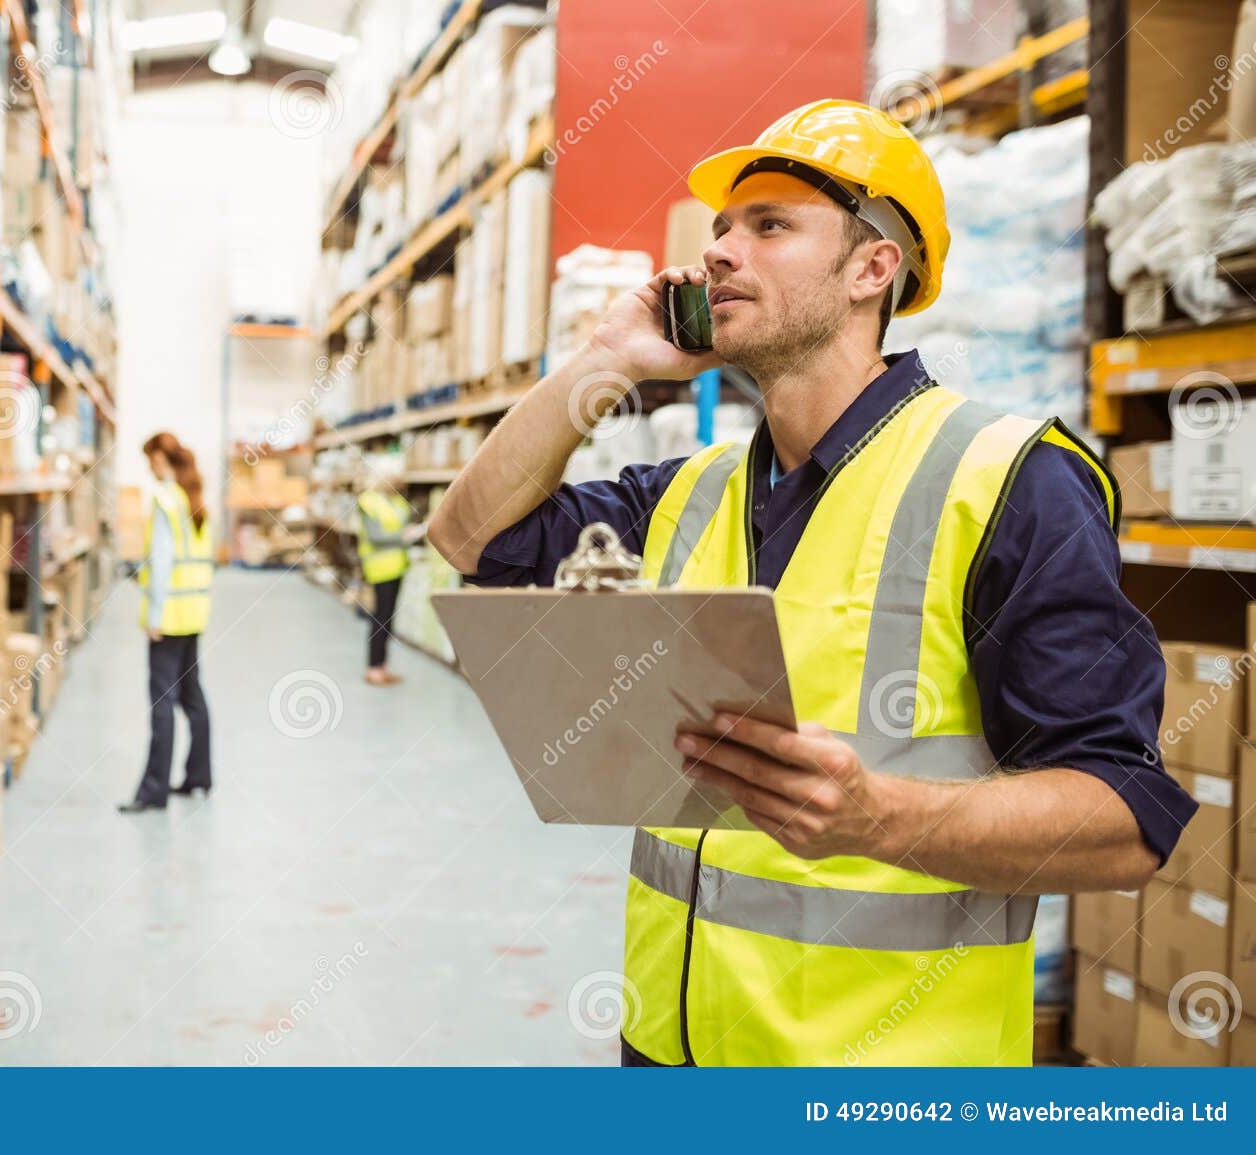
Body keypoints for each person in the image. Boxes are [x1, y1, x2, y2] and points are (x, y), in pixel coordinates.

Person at [428, 99, 1197, 1066]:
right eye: (719, 230)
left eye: (770, 224)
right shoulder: (692, 492)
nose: (719, 251)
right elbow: (471, 536)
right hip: (667, 1053)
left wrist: (881, 818)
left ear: (874, 269)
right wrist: (608, 357)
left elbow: (1125, 816)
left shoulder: (1010, 481)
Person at [119, 432, 214, 813]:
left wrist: (155, 615)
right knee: (192, 697)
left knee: (162, 702)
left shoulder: (164, 501)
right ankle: (198, 778)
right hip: (194, 614)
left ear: (161, 458)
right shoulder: (196, 501)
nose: (148, 468)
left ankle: (153, 791)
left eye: (149, 460)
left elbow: (160, 564)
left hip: (169, 617)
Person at [354, 471, 423, 686]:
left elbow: (400, 524)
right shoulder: (369, 502)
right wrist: (405, 538)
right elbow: (375, 538)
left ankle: (382, 667)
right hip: (380, 567)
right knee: (380, 619)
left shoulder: (396, 502)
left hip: (396, 566)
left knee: (387, 618)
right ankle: (373, 668)